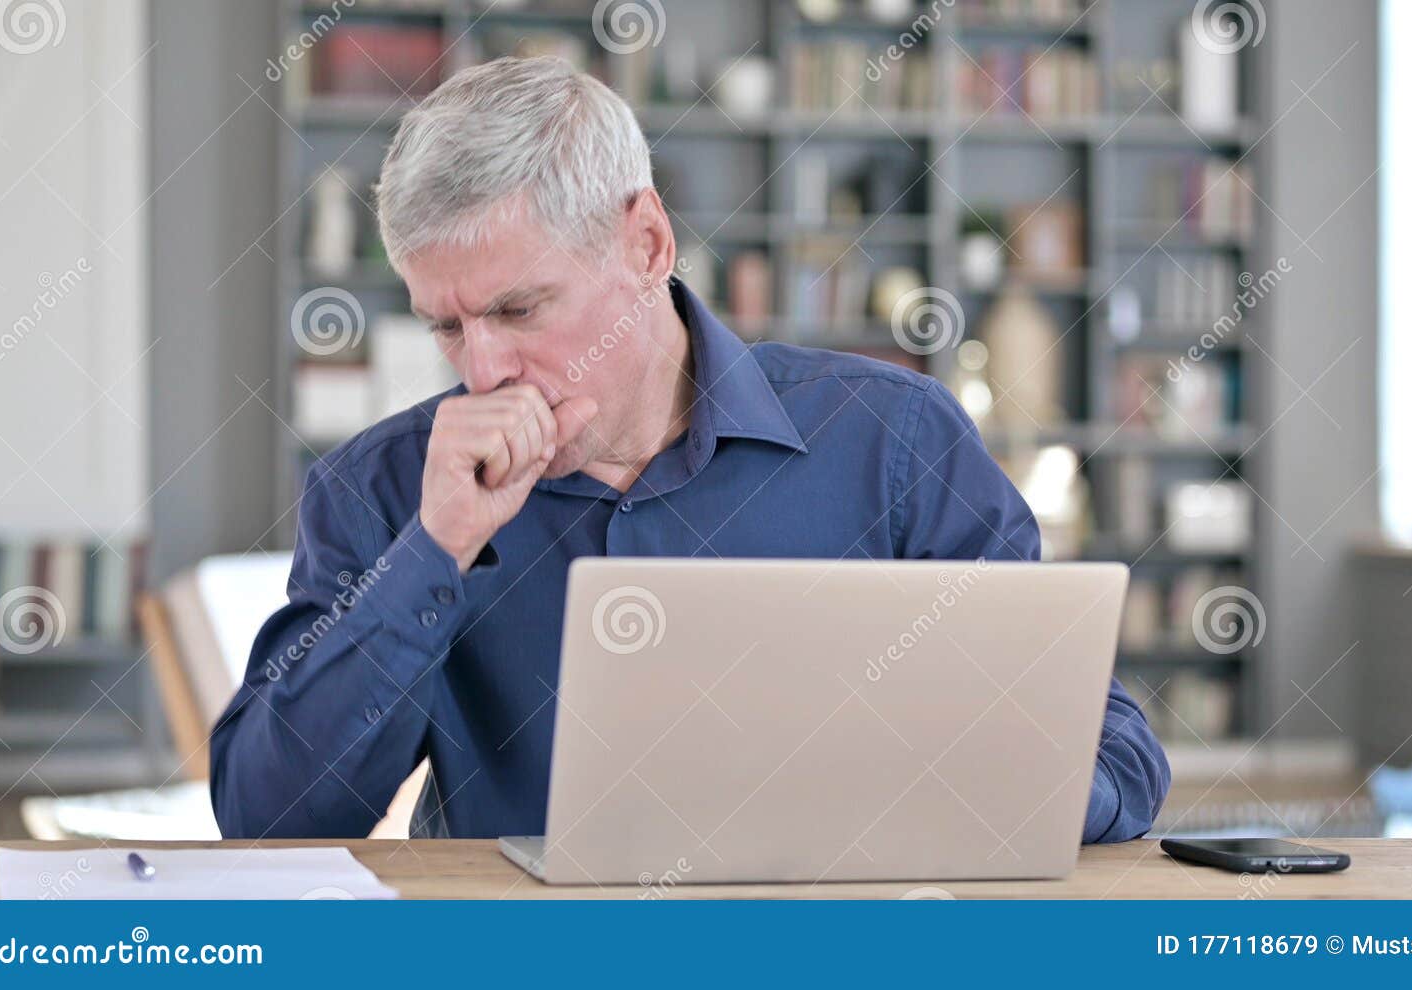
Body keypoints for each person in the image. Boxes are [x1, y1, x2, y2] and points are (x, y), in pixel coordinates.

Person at [210, 55, 1169, 844]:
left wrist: (945, 769)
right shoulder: (386, 489)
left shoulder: (889, 440)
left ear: (648, 242)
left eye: (517, 308)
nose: (486, 367)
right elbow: (268, 820)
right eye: (447, 327)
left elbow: (1117, 759)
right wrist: (433, 550)